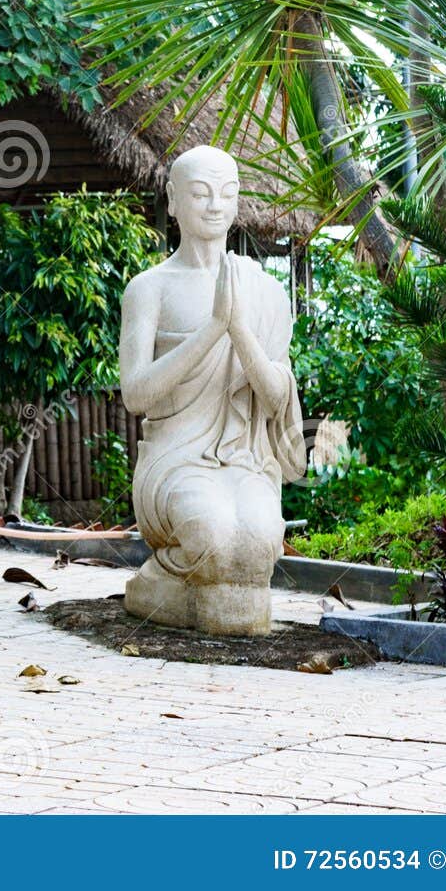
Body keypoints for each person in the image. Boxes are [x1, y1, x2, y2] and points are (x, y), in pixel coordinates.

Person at [117, 146, 304, 635]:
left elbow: (278, 399)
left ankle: (185, 591)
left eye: (226, 193)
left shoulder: (262, 289)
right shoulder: (149, 288)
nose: (215, 205)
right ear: (174, 201)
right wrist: (213, 327)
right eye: (200, 194)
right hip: (175, 459)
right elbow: (136, 395)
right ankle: (157, 583)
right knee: (214, 537)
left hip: (242, 460)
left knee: (261, 546)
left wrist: (239, 330)